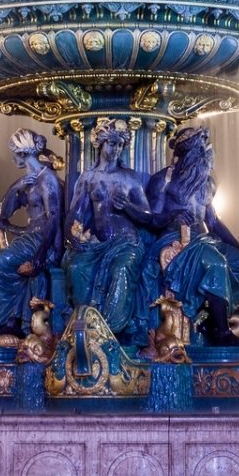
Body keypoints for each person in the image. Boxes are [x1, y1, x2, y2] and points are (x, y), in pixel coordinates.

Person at [130, 124, 239, 346]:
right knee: (216, 264)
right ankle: (222, 332)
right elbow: (152, 219)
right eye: (198, 150)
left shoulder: (207, 183)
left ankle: (209, 317)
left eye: (205, 151)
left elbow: (213, 222)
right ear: (183, 153)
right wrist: (174, 214)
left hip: (204, 240)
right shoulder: (164, 180)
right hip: (174, 240)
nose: (205, 155)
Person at [0, 129, 65, 346]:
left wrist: (39, 259)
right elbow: (4, 212)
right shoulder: (28, 181)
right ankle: (10, 321)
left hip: (41, 242)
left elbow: (53, 222)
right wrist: (18, 185)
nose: (13, 158)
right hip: (29, 239)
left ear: (23, 153)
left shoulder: (48, 180)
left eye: (14, 153)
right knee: (4, 270)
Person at [64, 119, 155, 345]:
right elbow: (74, 215)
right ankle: (84, 324)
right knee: (76, 268)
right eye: (111, 144)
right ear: (100, 143)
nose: (115, 150)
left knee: (121, 270)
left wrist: (128, 207)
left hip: (127, 242)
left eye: (120, 145)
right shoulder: (88, 178)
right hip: (98, 244)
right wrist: (73, 238)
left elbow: (148, 216)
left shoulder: (130, 178)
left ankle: (110, 333)